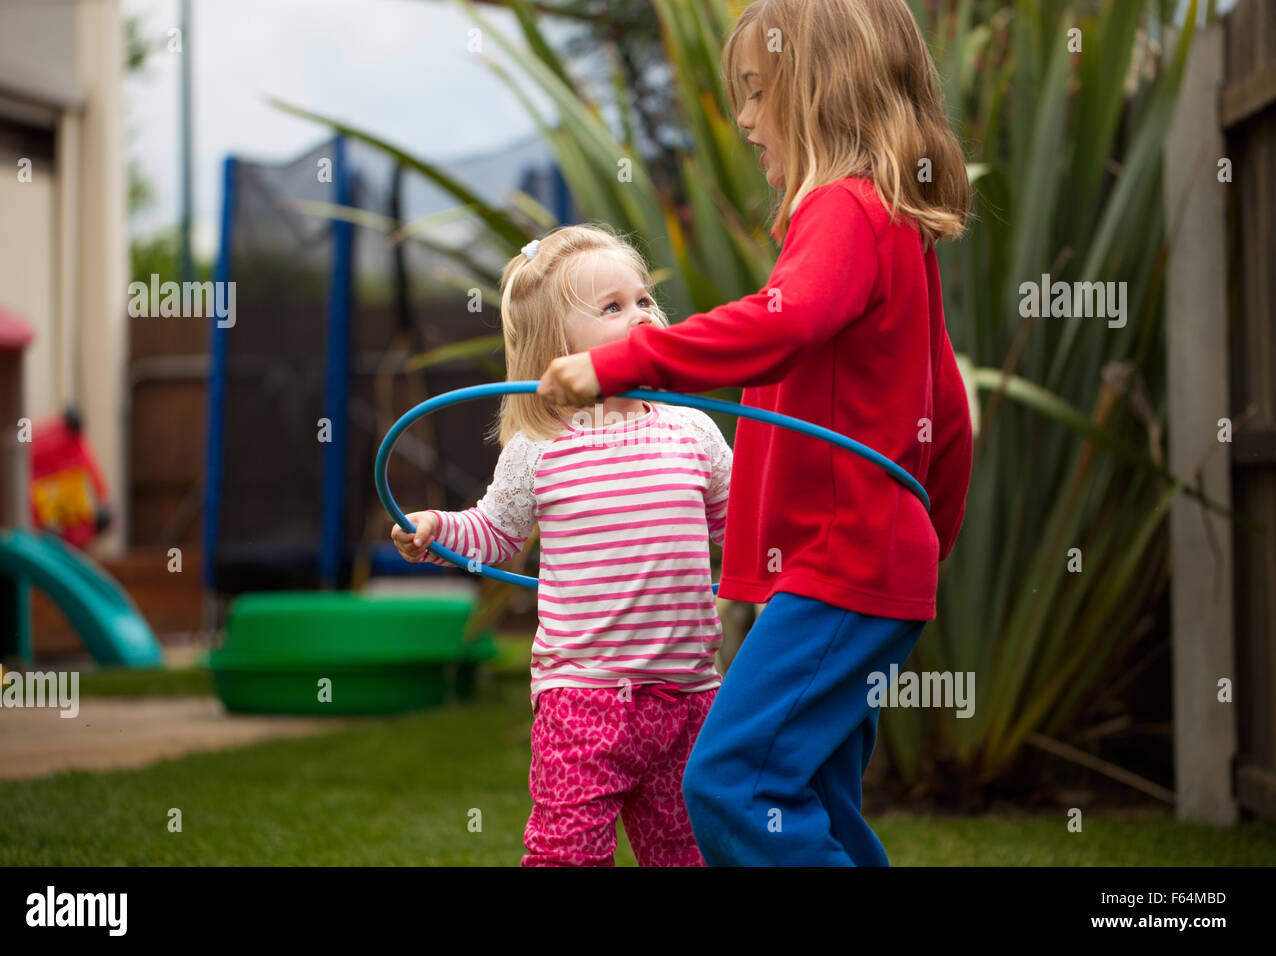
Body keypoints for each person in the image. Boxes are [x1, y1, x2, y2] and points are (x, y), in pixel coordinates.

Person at [537, 0, 975, 866]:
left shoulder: (845, 212)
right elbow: (950, 414)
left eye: (754, 92)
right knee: (814, 795)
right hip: (864, 566)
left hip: (842, 565)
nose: (741, 119)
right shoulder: (886, 222)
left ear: (816, 89)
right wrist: (920, 545)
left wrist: (624, 361)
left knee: (733, 780)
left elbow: (786, 321)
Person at [392, 224, 733, 866]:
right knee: (566, 854)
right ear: (559, 348)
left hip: (689, 697)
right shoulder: (540, 450)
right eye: (612, 308)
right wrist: (438, 530)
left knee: (686, 853)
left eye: (643, 300)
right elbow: (495, 531)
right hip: (583, 699)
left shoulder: (694, 432)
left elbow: (740, 532)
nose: (640, 315)